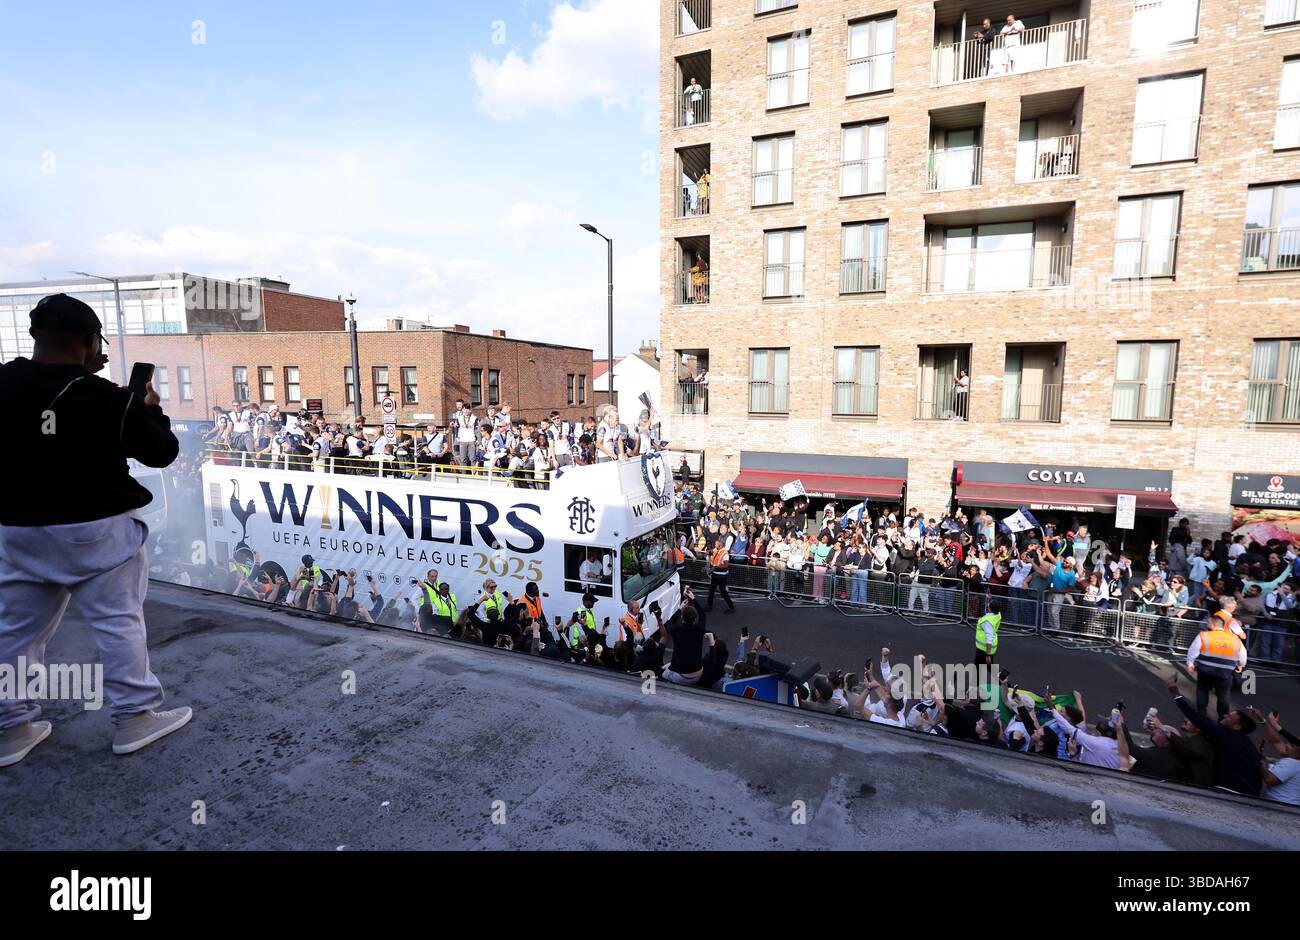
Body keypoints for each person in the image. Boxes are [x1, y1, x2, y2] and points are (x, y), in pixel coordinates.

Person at [0, 293, 191, 765]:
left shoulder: (3, 382)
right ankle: (134, 718)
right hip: (95, 527)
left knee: (16, 631)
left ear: (32, 336)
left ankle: (10, 728)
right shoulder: (109, 398)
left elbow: (45, 415)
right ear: (89, 342)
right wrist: (147, 407)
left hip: (18, 526)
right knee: (117, 621)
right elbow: (161, 452)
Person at [1166, 675, 1261, 796]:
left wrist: (1176, 695)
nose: (1225, 716)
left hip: (1228, 790)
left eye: (1229, 717)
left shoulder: (1226, 735)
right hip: (1251, 793)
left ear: (1237, 727)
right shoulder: (1249, 744)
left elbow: (1197, 719)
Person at [1186, 598, 1247, 719]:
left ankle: (1201, 713)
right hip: (1225, 669)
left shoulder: (1205, 634)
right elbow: (1242, 652)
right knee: (1223, 695)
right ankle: (1223, 718)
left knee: (1202, 690)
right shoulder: (1234, 634)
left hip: (1206, 668)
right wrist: (1240, 665)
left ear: (1213, 625)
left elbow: (1193, 650)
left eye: (1208, 623)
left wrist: (1190, 663)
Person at [705, 538, 735, 614]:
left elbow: (725, 565)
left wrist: (714, 568)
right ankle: (709, 605)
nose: (714, 545)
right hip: (715, 574)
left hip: (721, 576)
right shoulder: (716, 549)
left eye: (716, 544)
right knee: (711, 590)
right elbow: (712, 552)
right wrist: (708, 552)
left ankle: (731, 607)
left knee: (723, 592)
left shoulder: (725, 553)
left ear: (720, 545)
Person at [974, 599, 1002, 668]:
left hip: (984, 649)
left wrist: (988, 655)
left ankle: (1002, 678)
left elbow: (989, 638)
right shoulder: (998, 614)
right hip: (992, 646)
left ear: (990, 609)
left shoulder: (987, 622)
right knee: (988, 666)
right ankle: (1002, 678)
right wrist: (989, 598)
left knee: (980, 666)